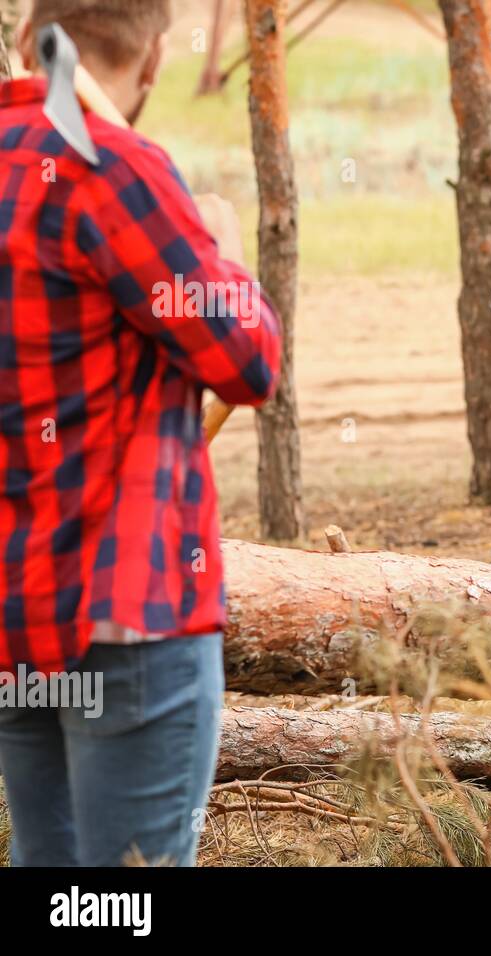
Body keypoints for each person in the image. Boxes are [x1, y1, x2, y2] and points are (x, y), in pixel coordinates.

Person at [0, 0, 281, 865]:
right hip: (130, 610)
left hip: (18, 611)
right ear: (155, 57)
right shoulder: (113, 171)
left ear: (27, 40)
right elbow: (247, 360)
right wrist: (224, 249)